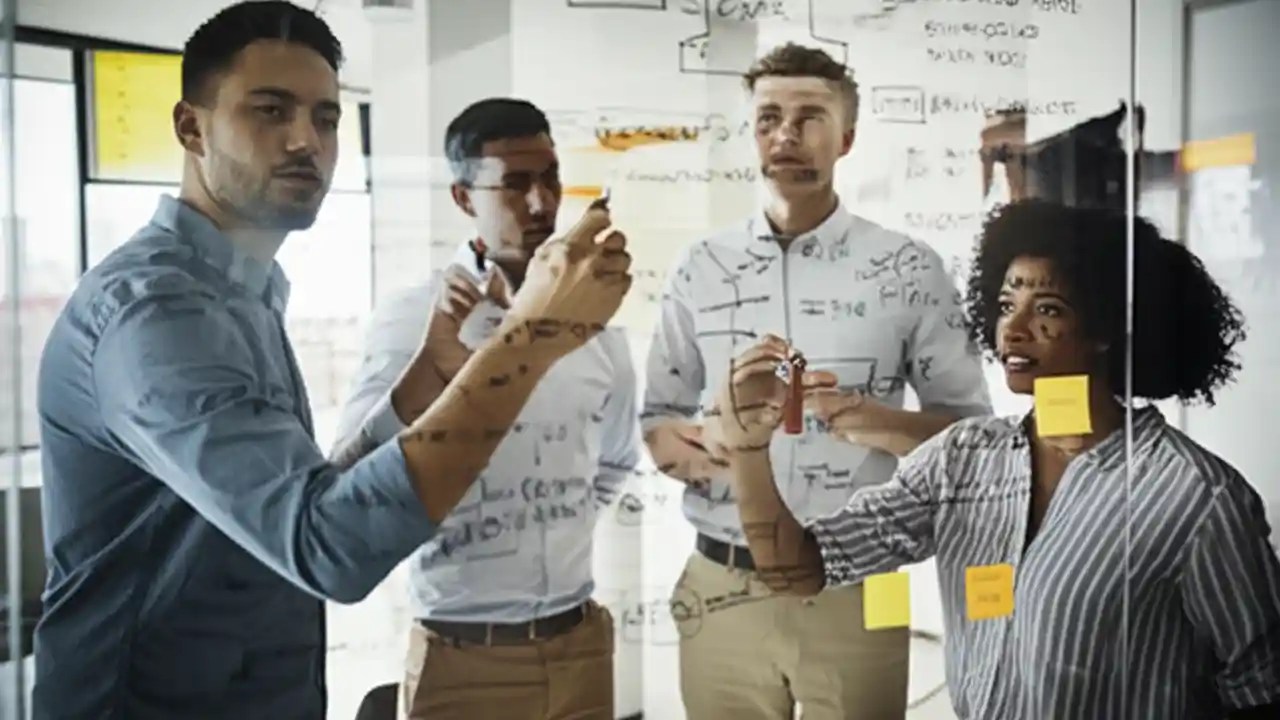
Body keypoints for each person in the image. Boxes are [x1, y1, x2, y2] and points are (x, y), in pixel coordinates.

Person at [32, 3, 632, 718]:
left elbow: (305, 498)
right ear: (192, 128)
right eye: (270, 111)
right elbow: (328, 546)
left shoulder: (241, 294)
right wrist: (529, 340)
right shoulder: (158, 312)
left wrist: (423, 383)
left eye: (325, 118)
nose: (305, 142)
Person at [716, 199, 1280, 720]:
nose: (1013, 328)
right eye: (1007, 305)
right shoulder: (962, 459)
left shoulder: (1196, 497)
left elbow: (1260, 685)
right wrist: (746, 447)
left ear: (1106, 329)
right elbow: (794, 570)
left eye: (1048, 309)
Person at [642, 42, 991, 719]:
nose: (786, 135)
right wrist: (723, 440)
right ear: (752, 133)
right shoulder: (700, 267)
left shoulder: (908, 268)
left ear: (847, 138)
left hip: (861, 581)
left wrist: (871, 421)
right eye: (769, 118)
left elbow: (972, 441)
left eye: (809, 118)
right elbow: (656, 422)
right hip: (722, 585)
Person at [330, 98, 639, 720]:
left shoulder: (596, 327)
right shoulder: (415, 319)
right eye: (514, 184)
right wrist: (429, 372)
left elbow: (612, 463)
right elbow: (348, 479)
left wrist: (546, 514)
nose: (541, 203)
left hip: (580, 645)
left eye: (550, 178)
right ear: (463, 197)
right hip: (463, 652)